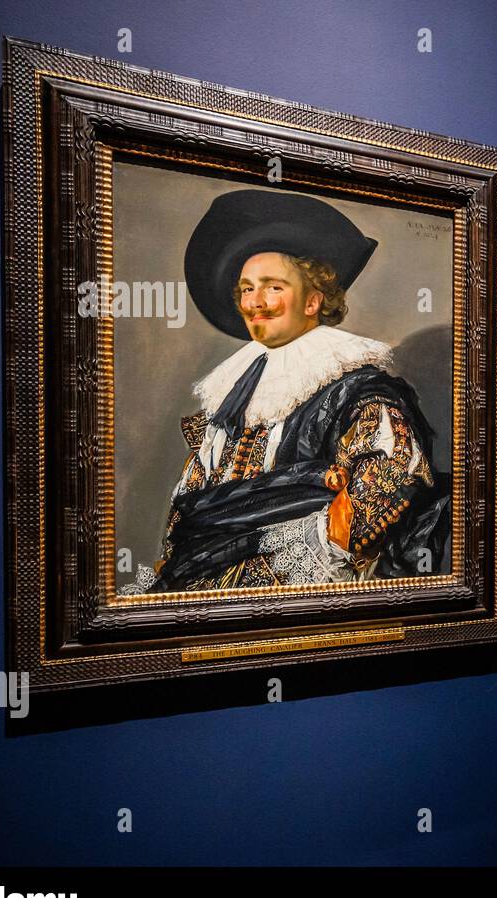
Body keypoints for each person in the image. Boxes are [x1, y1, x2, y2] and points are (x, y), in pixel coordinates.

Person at [122, 189, 450, 594]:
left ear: (313, 300)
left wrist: (300, 547)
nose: (255, 301)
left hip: (293, 589)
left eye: (273, 287)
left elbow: (390, 477)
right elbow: (194, 493)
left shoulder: (356, 385)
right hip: (204, 577)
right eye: (245, 288)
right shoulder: (234, 389)